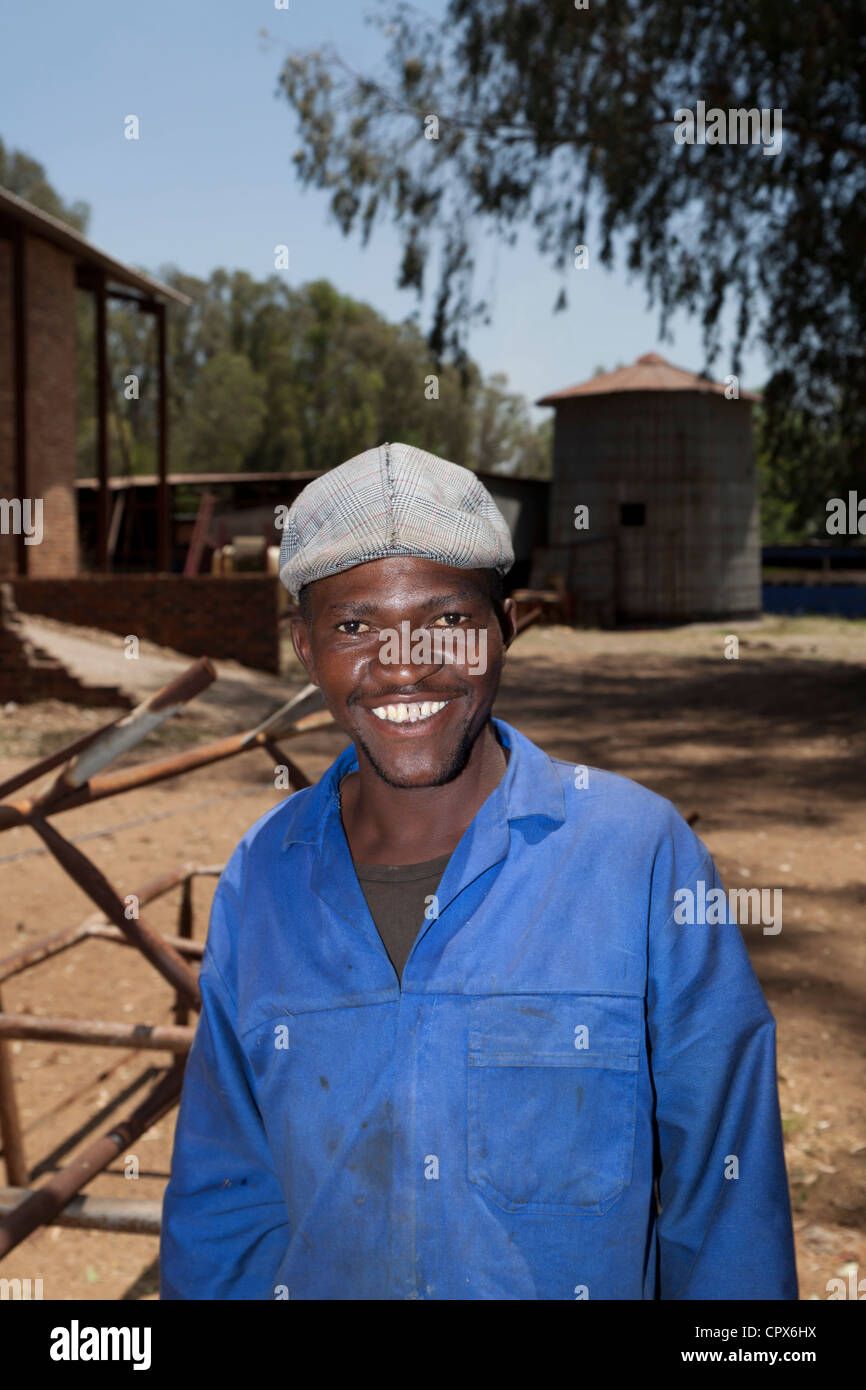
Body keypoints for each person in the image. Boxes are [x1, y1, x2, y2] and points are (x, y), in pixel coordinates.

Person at [160, 442, 798, 1300]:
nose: (406, 664)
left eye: (449, 619)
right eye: (354, 626)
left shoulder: (638, 855)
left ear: (505, 628)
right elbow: (224, 1199)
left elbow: (726, 1201)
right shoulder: (261, 880)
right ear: (305, 652)